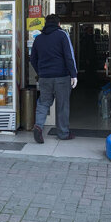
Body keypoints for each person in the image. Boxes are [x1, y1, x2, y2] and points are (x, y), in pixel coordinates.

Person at [30, 14, 77, 143]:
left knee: (43, 103)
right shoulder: (62, 35)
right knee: (62, 105)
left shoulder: (38, 38)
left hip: (44, 77)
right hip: (61, 77)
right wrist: (74, 74)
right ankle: (63, 133)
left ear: (45, 24)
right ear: (58, 24)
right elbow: (69, 56)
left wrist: (41, 72)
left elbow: (33, 58)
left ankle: (38, 126)